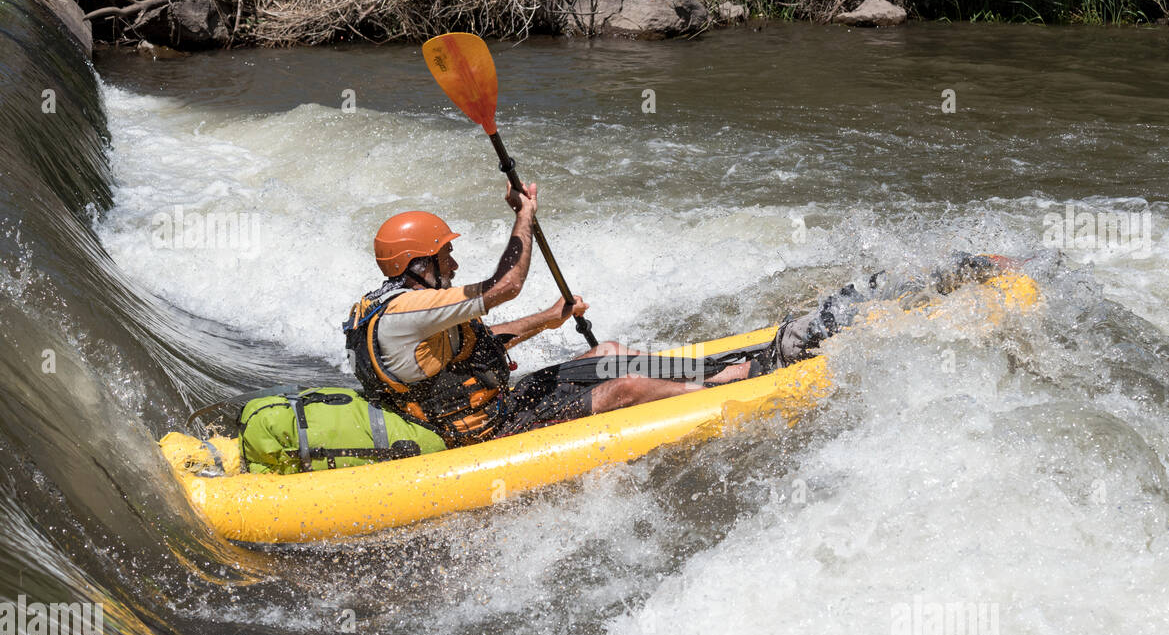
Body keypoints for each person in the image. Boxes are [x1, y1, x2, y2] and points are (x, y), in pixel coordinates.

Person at [344, 181, 1014, 447]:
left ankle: (705, 366)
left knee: (601, 353)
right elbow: (506, 281)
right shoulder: (407, 309)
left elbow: (477, 338)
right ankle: (717, 387)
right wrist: (525, 213)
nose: (453, 266)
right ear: (418, 264)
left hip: (497, 403)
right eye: (444, 257)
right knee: (621, 387)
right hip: (482, 434)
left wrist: (552, 319)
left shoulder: (402, 310)